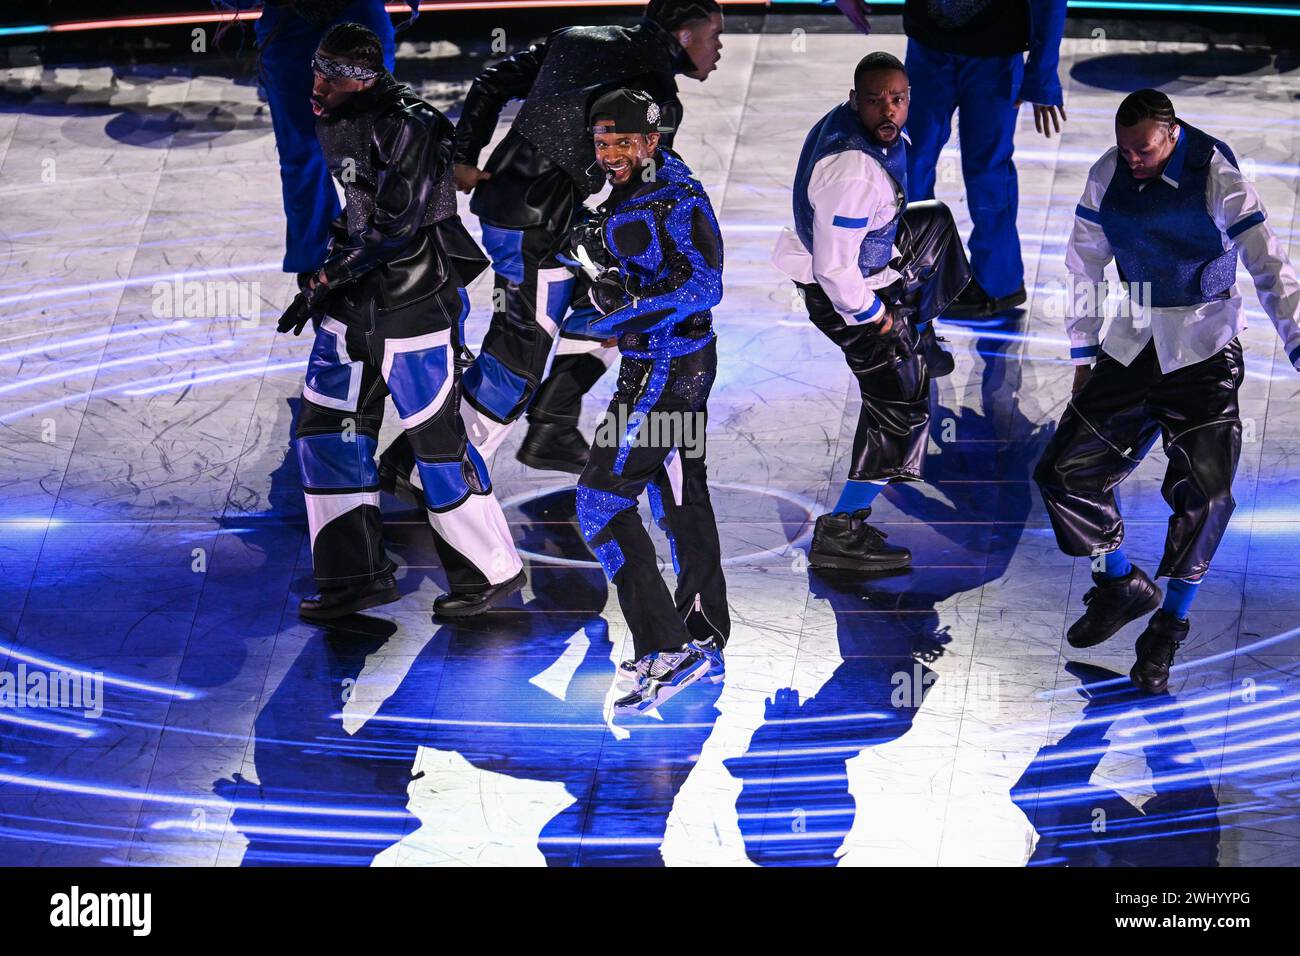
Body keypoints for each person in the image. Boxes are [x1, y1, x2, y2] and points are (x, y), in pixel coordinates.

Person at [376, 0, 725, 494]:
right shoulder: (657, 99)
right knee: (515, 364)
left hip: (526, 208)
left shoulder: (579, 37)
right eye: (714, 35)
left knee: (602, 312)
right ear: (686, 35)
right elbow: (638, 194)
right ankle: (425, 471)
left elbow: (491, 81)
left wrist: (462, 157)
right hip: (536, 226)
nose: (719, 48)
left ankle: (553, 425)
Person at [1035, 89, 1300, 693]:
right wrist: (1082, 351)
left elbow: (1270, 265)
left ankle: (1167, 629)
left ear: (1172, 133)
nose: (1132, 159)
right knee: (1063, 473)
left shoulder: (1219, 178)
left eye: (1144, 149)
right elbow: (1083, 263)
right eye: (1125, 148)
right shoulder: (1110, 171)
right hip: (1132, 340)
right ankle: (1119, 582)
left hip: (1204, 349)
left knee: (1208, 496)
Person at [279, 23, 524, 622]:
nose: (317, 84)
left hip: (414, 301)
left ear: (362, 78)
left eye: (331, 76)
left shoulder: (411, 123)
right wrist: (324, 279)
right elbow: (355, 212)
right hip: (352, 300)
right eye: (317, 68)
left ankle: (493, 570)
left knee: (436, 444)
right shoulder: (333, 115)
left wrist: (326, 278)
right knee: (325, 434)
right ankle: (354, 575)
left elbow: (396, 227)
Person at [772, 52, 972, 574]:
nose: (889, 110)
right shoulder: (854, 171)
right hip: (842, 288)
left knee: (934, 225)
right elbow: (835, 268)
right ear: (855, 98)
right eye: (876, 100)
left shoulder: (853, 128)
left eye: (898, 99)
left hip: (861, 254)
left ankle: (920, 331)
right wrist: (875, 316)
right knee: (900, 405)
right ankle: (843, 530)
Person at [569, 89, 729, 717]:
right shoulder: (621, 191)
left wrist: (624, 317)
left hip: (667, 370)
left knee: (599, 500)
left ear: (653, 141)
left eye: (623, 142)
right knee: (679, 496)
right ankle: (703, 636)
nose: (609, 153)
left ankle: (666, 649)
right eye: (602, 142)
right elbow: (615, 261)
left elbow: (707, 284)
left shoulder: (678, 198)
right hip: (668, 364)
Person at [886, 0, 1068, 318]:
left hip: (995, 53)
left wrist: (1042, 71)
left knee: (987, 172)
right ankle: (918, 274)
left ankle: (998, 286)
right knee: (911, 163)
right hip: (928, 46)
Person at [255, 0, 396, 277]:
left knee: (373, 148)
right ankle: (318, 270)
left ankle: (383, 253)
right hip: (289, 24)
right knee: (302, 156)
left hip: (358, 17)